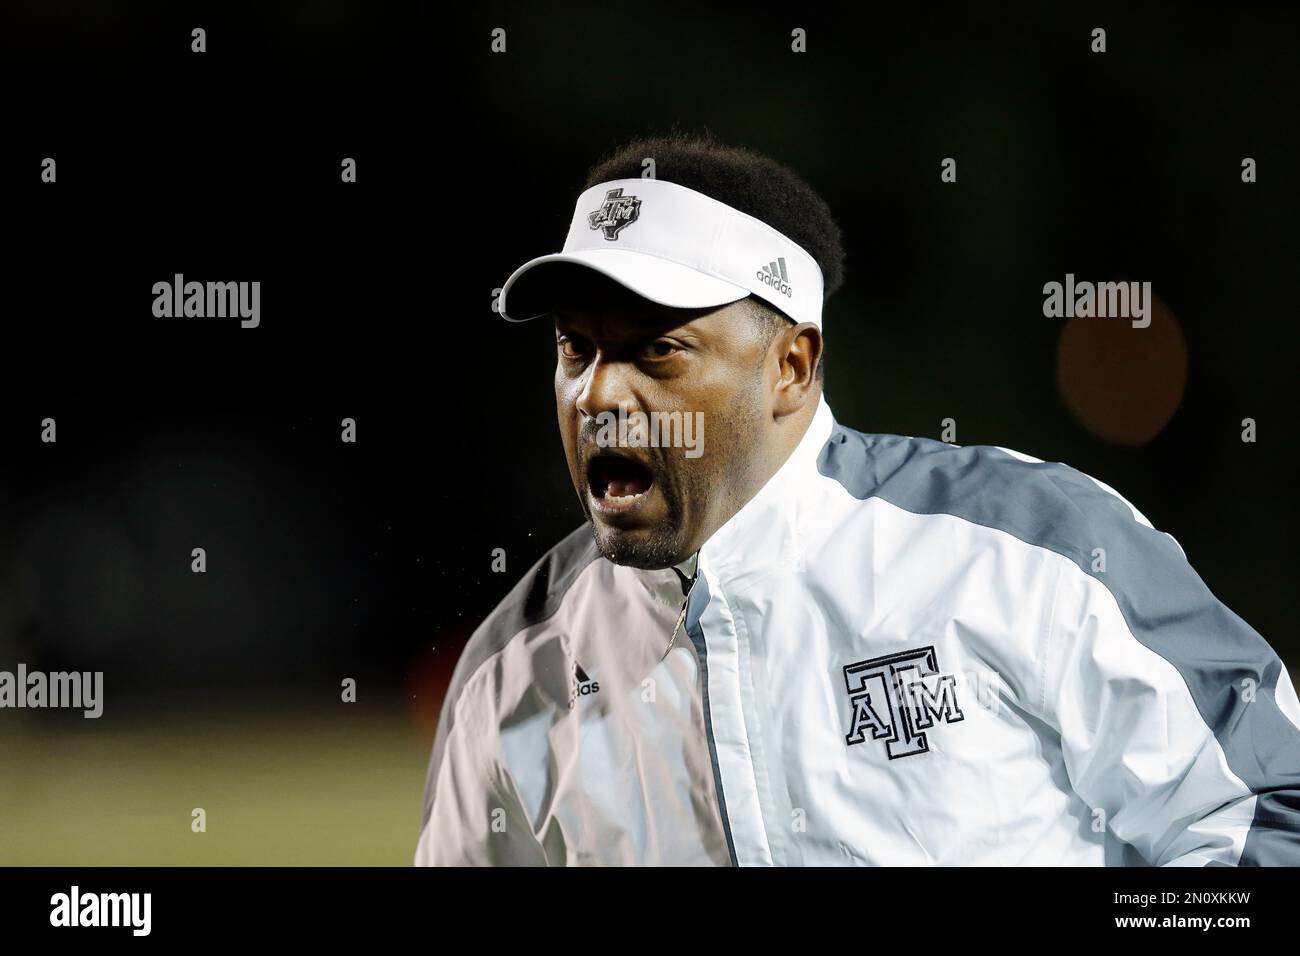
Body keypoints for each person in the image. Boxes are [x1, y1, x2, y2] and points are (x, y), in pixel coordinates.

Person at [416, 134, 1300, 866]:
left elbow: (1265, 808)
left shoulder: (1027, 549)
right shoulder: (514, 671)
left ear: (790, 367)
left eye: (657, 351)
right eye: (577, 349)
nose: (598, 396)